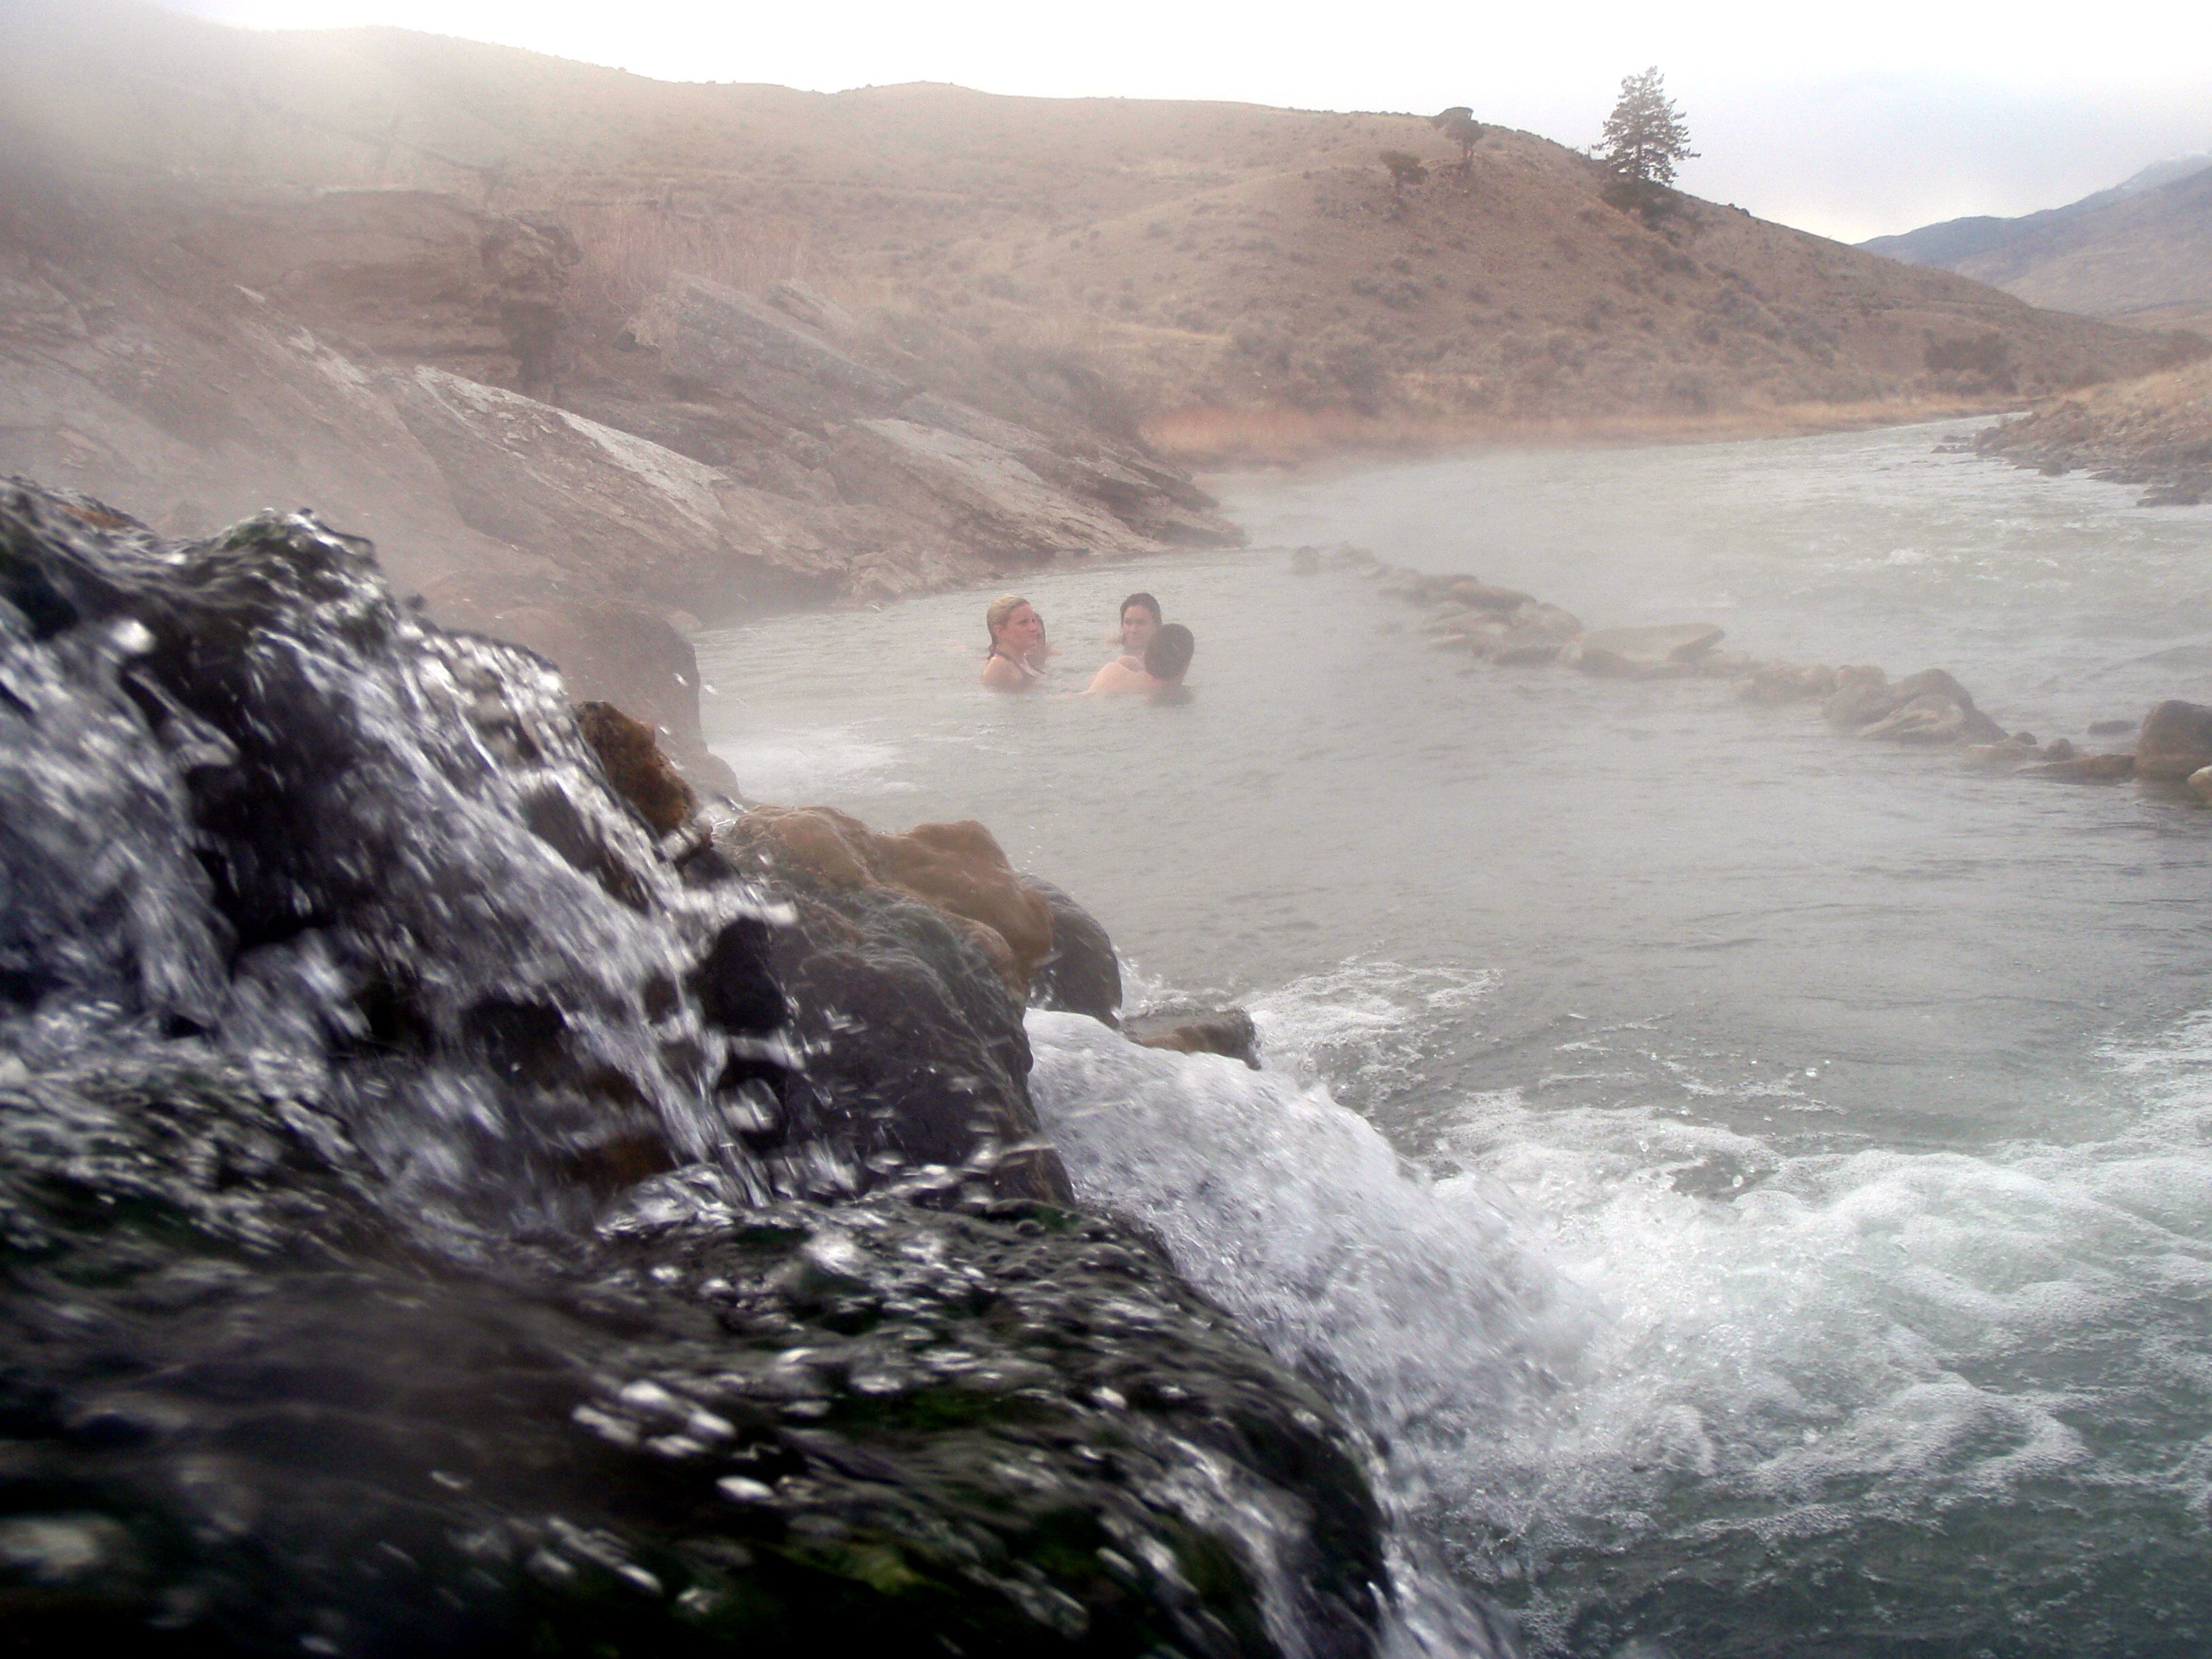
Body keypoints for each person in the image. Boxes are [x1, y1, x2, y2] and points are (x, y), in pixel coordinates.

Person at [1085, 592, 1164, 695]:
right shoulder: (1112, 645)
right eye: (1128, 623)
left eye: (1141, 623)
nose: (1133, 630)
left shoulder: (1164, 652)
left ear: (1156, 625)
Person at [980, 594, 1048, 691]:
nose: (1034, 628)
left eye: (1033, 621)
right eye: (1023, 623)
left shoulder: (1021, 660)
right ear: (1000, 631)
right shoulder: (1000, 667)